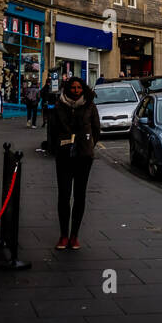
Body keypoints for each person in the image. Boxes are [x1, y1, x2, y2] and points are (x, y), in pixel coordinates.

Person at [48, 76, 101, 250]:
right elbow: (52, 130)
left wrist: (87, 145)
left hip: (84, 157)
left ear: (83, 89)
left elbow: (96, 129)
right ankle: (63, 235)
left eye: (79, 88)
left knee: (79, 196)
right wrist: (56, 147)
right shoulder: (59, 106)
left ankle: (74, 236)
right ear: (67, 88)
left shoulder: (90, 106)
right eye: (73, 87)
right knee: (63, 196)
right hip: (64, 156)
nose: (76, 90)